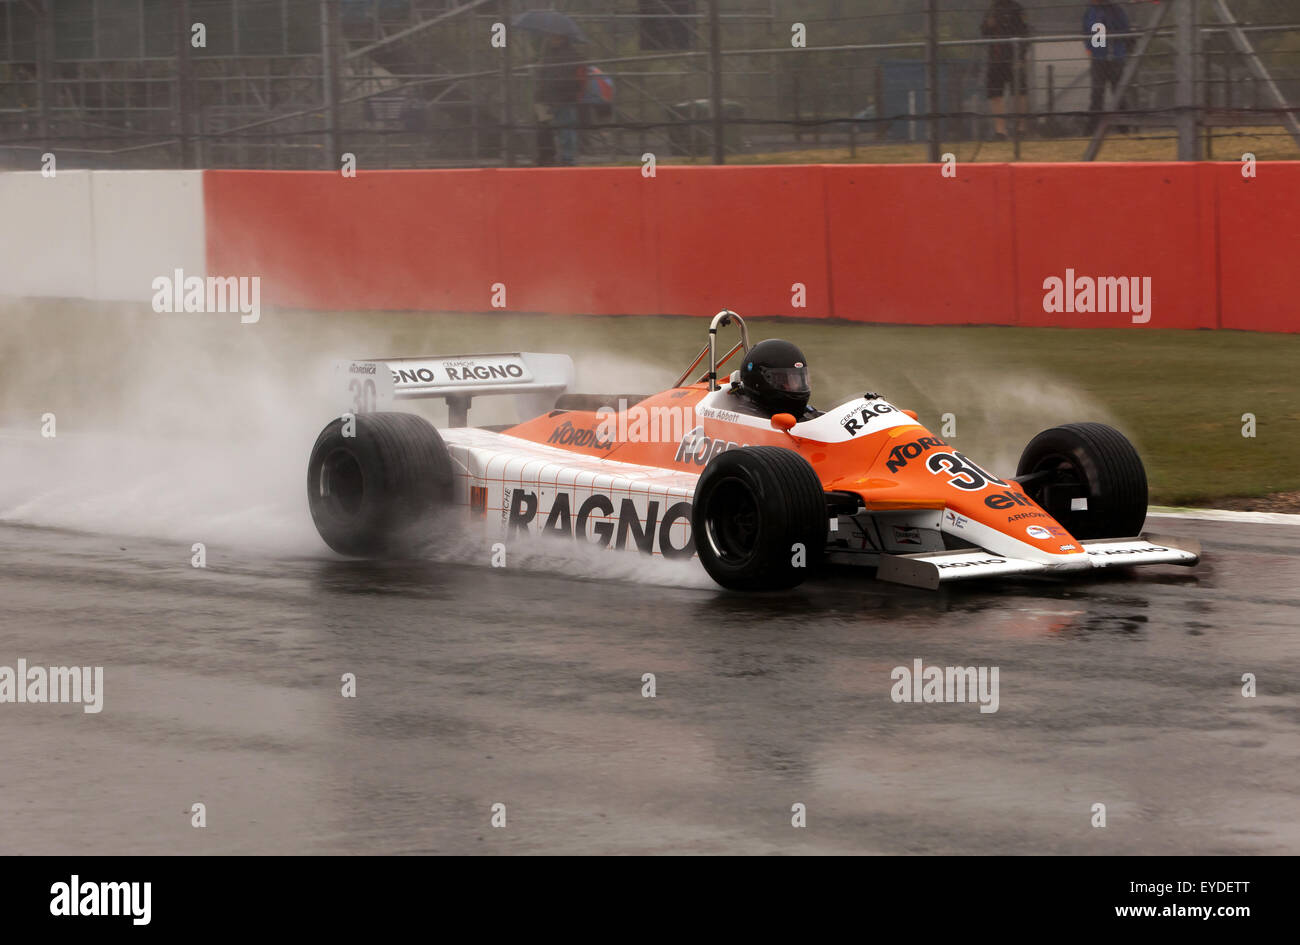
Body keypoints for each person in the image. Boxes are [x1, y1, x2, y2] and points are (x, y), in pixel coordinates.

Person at [728, 339, 820, 421]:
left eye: (799, 379)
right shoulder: (746, 419)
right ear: (759, 382)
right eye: (785, 381)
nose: (796, 386)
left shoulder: (807, 412)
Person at [980, 0, 1030, 141]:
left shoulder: (1016, 8)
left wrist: (1021, 56)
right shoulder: (991, 9)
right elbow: (984, 32)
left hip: (1014, 57)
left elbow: (1025, 33)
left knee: (1019, 93)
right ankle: (1000, 131)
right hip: (996, 59)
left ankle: (1021, 129)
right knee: (995, 95)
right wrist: (988, 25)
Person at [1084, 0, 1132, 134]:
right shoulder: (1091, 11)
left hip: (1115, 58)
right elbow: (1086, 32)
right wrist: (1090, 49)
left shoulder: (1116, 10)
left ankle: (1124, 129)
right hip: (1099, 59)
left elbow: (1124, 30)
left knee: (1118, 94)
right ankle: (1092, 129)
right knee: (1097, 94)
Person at [535, 34, 582, 166]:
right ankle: (548, 156)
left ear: (563, 38)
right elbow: (543, 75)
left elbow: (569, 78)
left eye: (556, 37)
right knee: (545, 128)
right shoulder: (549, 55)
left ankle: (567, 158)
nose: (552, 40)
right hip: (547, 97)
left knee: (565, 128)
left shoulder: (570, 55)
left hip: (563, 98)